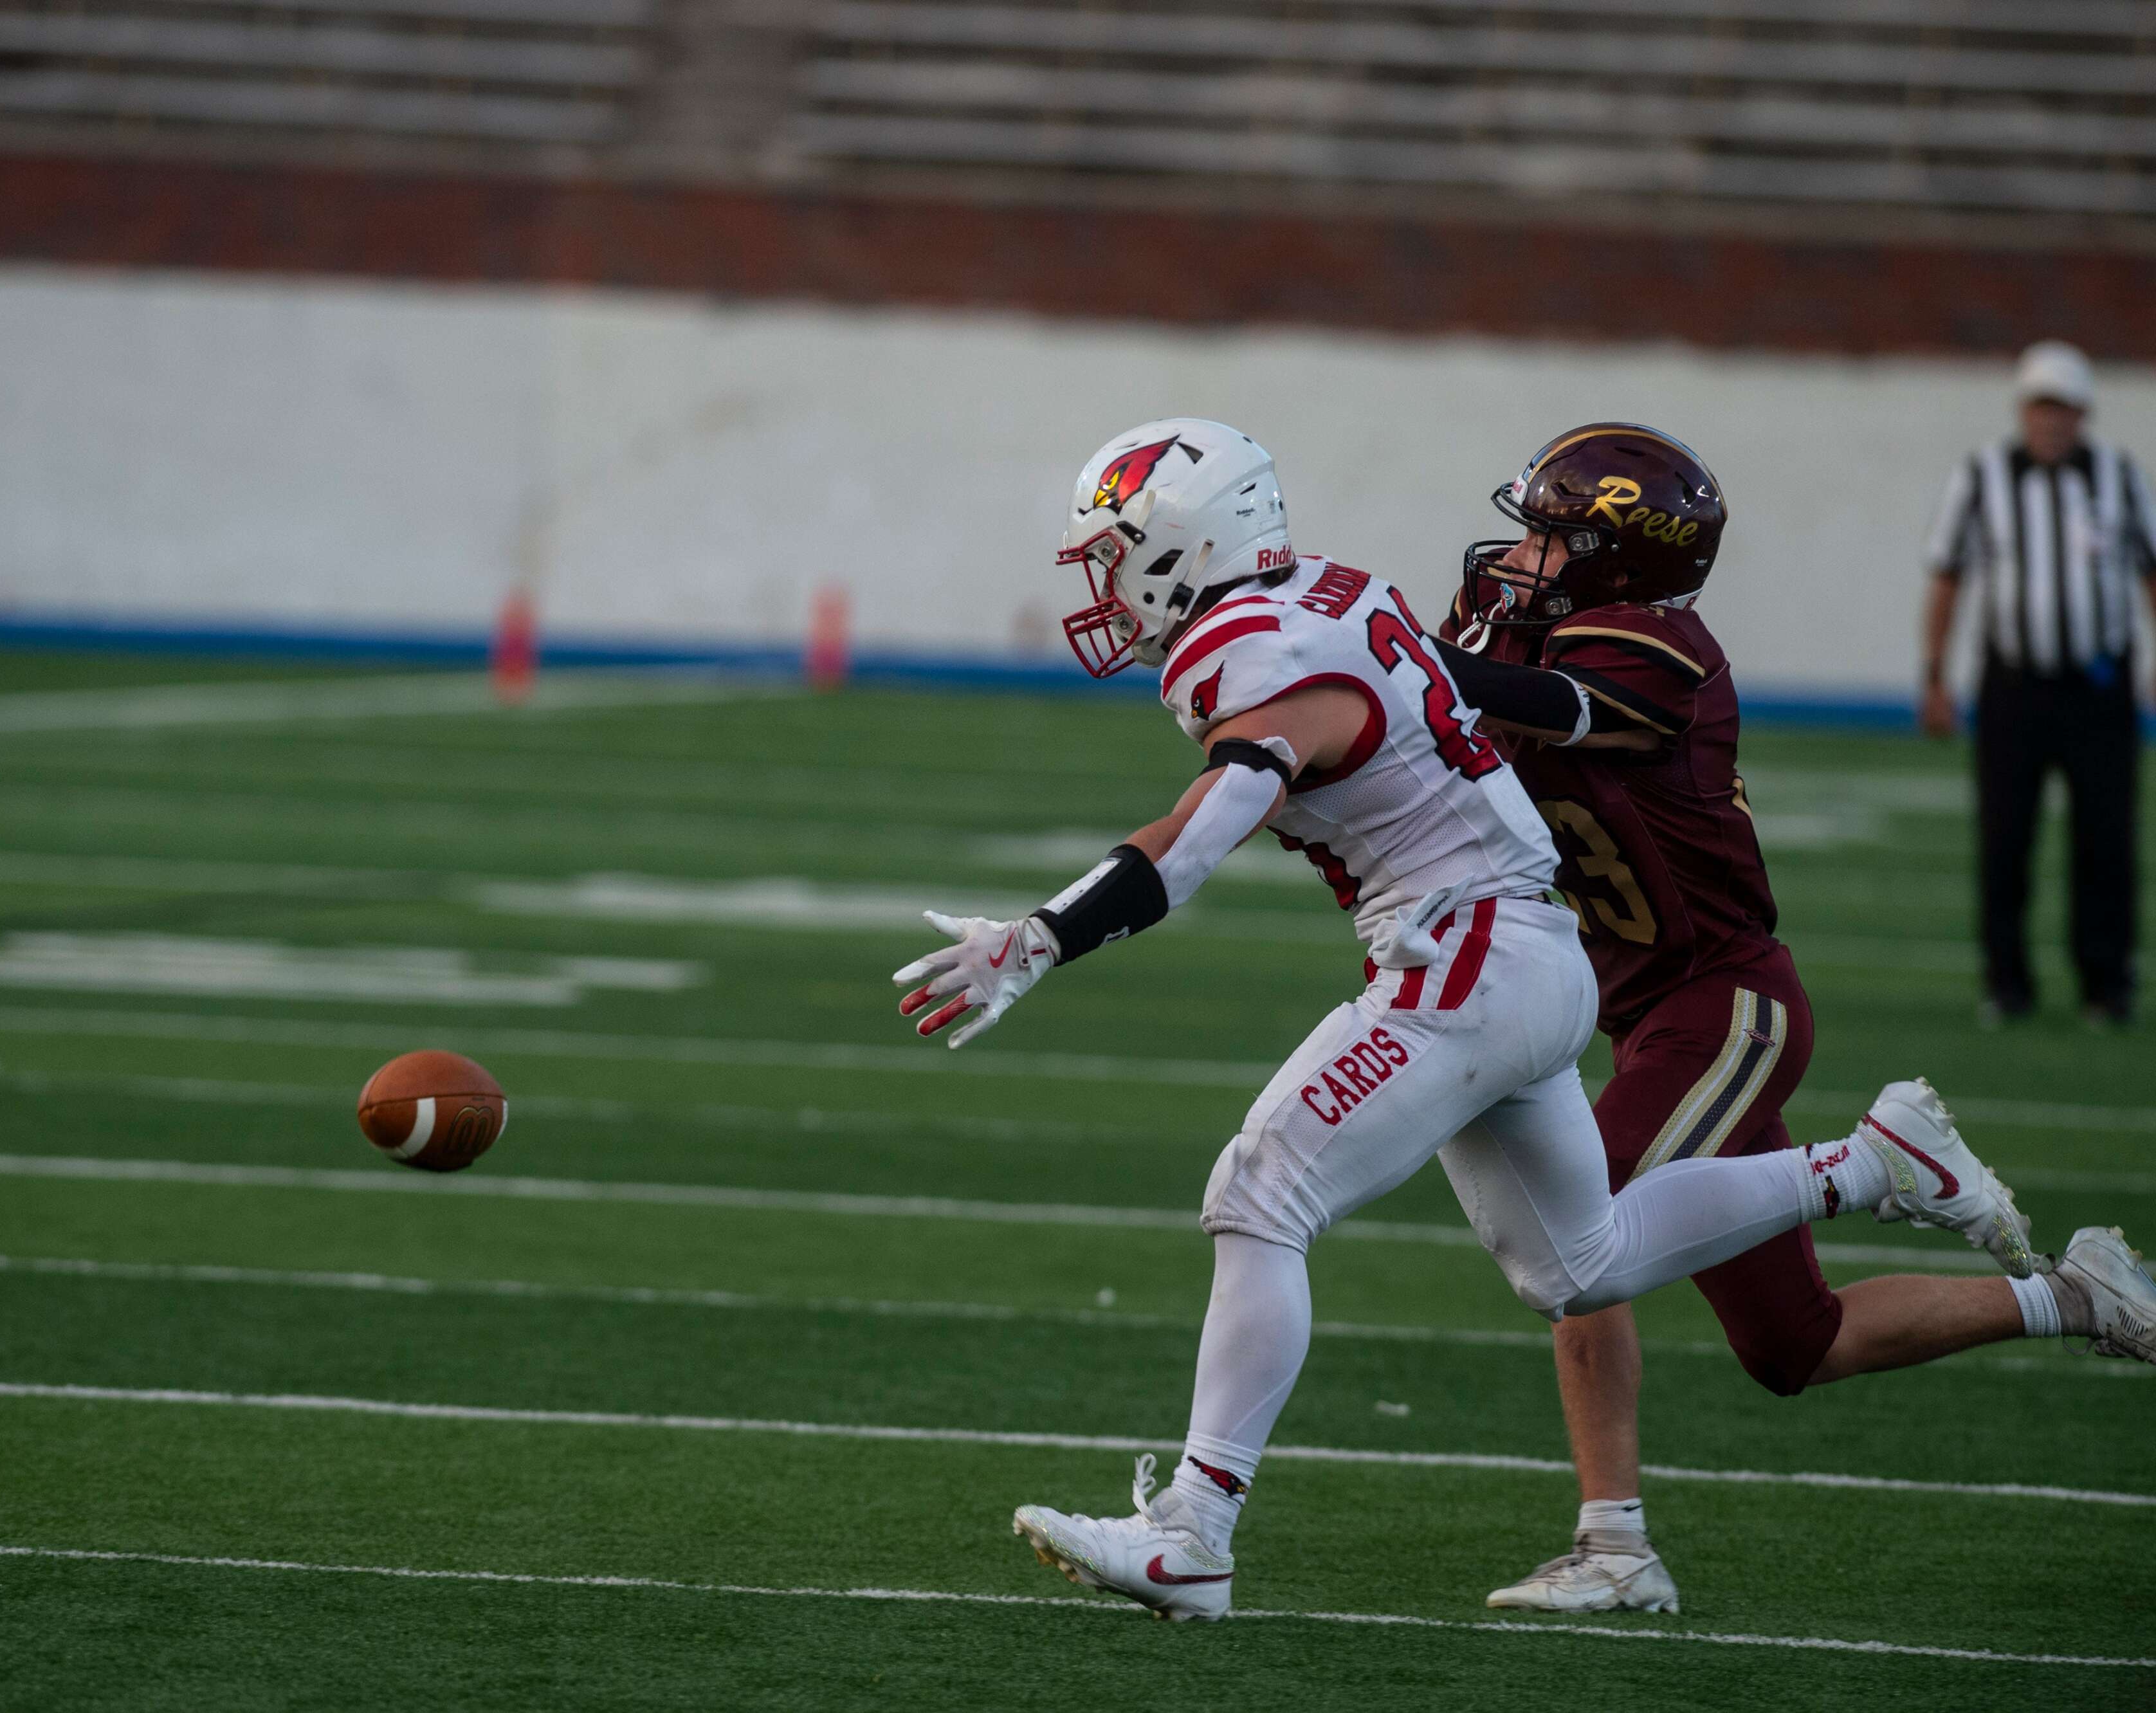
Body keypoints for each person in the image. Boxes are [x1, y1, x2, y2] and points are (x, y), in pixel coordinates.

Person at [885, 419, 2059, 1623]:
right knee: (1579, 1264)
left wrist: (1041, 936)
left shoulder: (1252, 645)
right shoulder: (1325, 593)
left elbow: (1211, 822)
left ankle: (1193, 1531)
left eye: (1114, 552)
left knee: (1261, 1190)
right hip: (1533, 950)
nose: (1101, 583)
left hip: (1472, 951)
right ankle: (1867, 1165)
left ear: (1178, 546)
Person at [1434, 422, 2156, 1616]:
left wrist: (1391, 656)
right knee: (1795, 1345)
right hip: (1653, 1013)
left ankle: (1621, 1537)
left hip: (1724, 1004)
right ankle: (2080, 1295)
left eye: (1549, 536)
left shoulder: (1658, 648)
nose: (1520, 556)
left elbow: (1534, 703)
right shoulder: (1544, 630)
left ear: (1619, 559)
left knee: (1580, 1231)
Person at [1919, 341, 2156, 1026]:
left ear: (2083, 413)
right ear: (2023, 411)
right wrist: (1936, 674)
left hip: (2098, 685)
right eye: (2041, 405)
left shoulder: (2119, 476)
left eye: (2064, 407)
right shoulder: (1982, 474)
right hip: (2013, 685)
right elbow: (1947, 576)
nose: (2051, 420)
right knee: (2004, 836)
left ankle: (2106, 984)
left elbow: (2150, 569)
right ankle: (2006, 980)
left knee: (2106, 839)